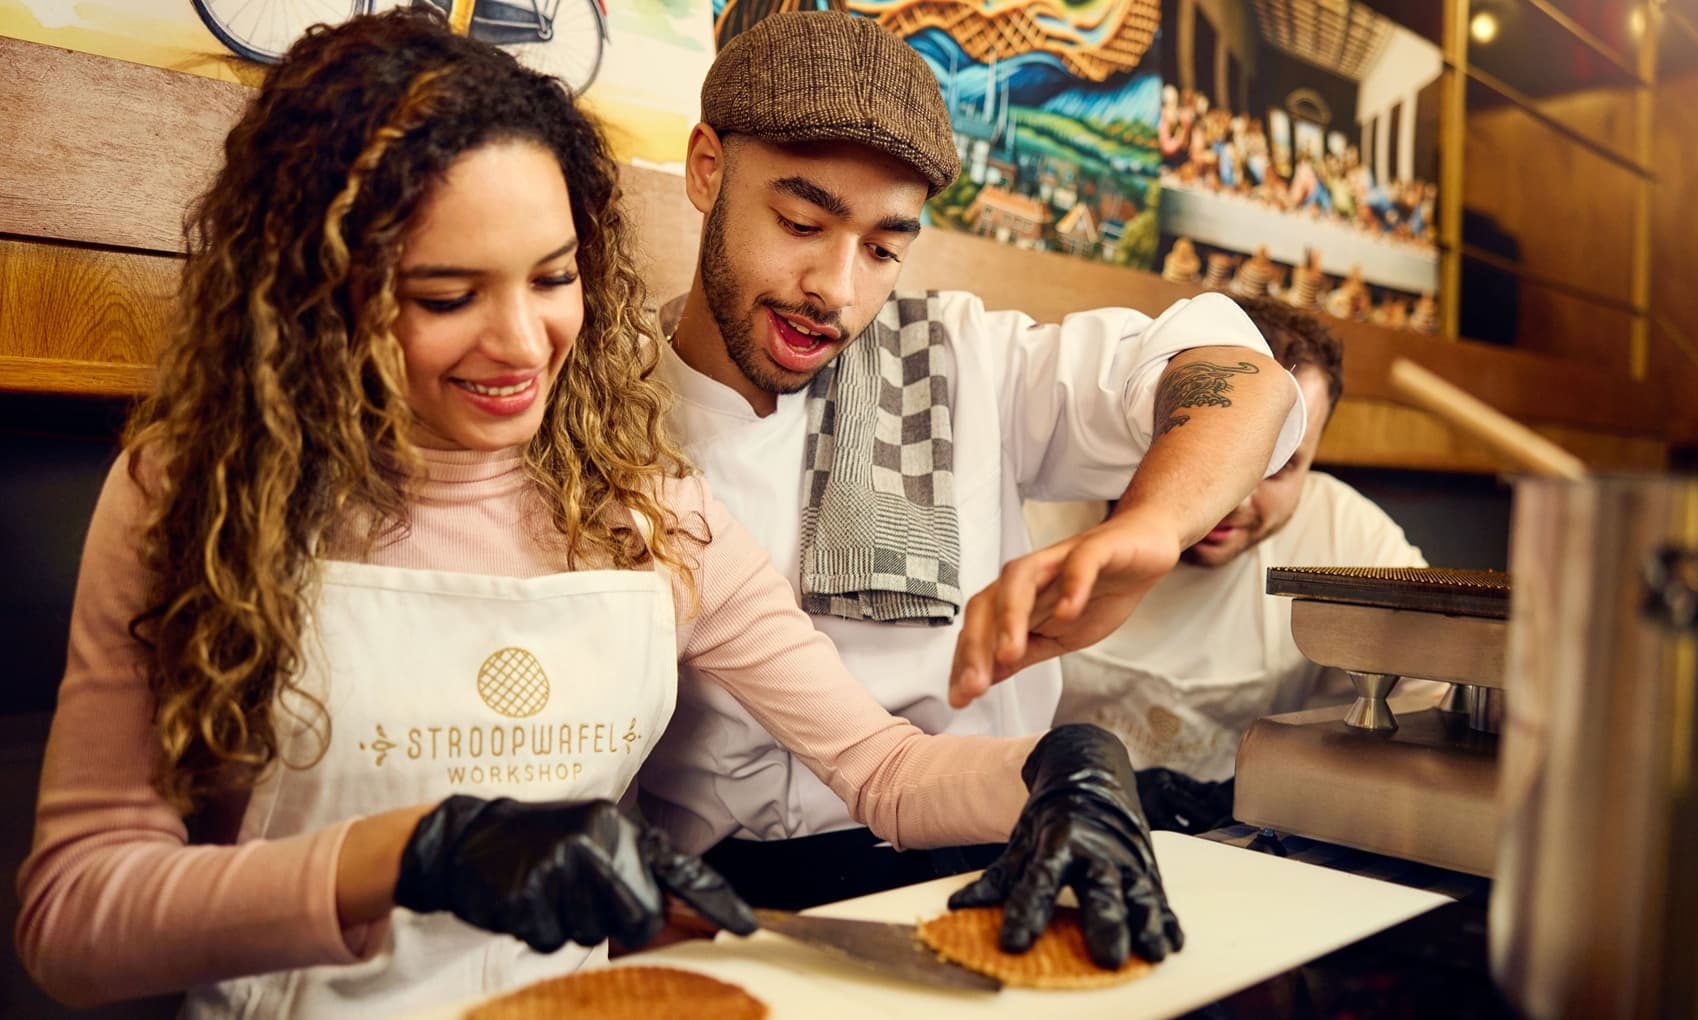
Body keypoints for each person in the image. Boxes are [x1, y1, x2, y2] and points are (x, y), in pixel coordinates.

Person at [14, 11, 1180, 1017]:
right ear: (317, 291)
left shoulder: (648, 503)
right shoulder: (195, 492)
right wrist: (409, 858)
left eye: (553, 276)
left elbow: (880, 765)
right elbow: (73, 920)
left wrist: (1060, 771)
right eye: (446, 294)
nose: (524, 346)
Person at [640, 10, 1305, 908]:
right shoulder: (600, 413)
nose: (836, 292)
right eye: (802, 223)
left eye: (883, 248)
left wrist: (1154, 524)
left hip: (971, 863)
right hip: (694, 898)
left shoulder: (964, 362)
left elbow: (1237, 372)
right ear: (707, 169)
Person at [1027, 296, 1427, 799]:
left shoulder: (1345, 533)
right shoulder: (1046, 509)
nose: (1235, 498)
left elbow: (1435, 687)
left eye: (1279, 466)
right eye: (1218, 456)